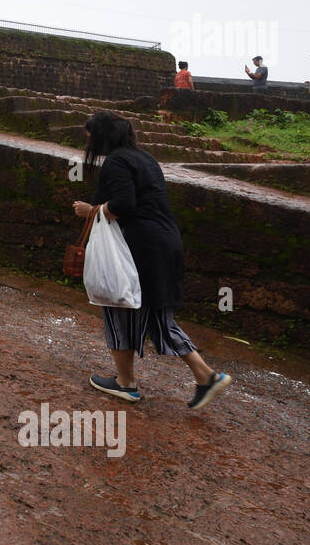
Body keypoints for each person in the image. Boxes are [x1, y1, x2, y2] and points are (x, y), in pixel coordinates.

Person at [70, 111, 232, 411]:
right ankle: (204, 375)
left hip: (138, 246)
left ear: (102, 136)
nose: (88, 141)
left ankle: (126, 383)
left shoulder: (117, 162)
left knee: (118, 305)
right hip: (163, 241)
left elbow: (124, 204)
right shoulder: (145, 159)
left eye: (90, 135)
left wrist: (90, 210)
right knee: (156, 315)